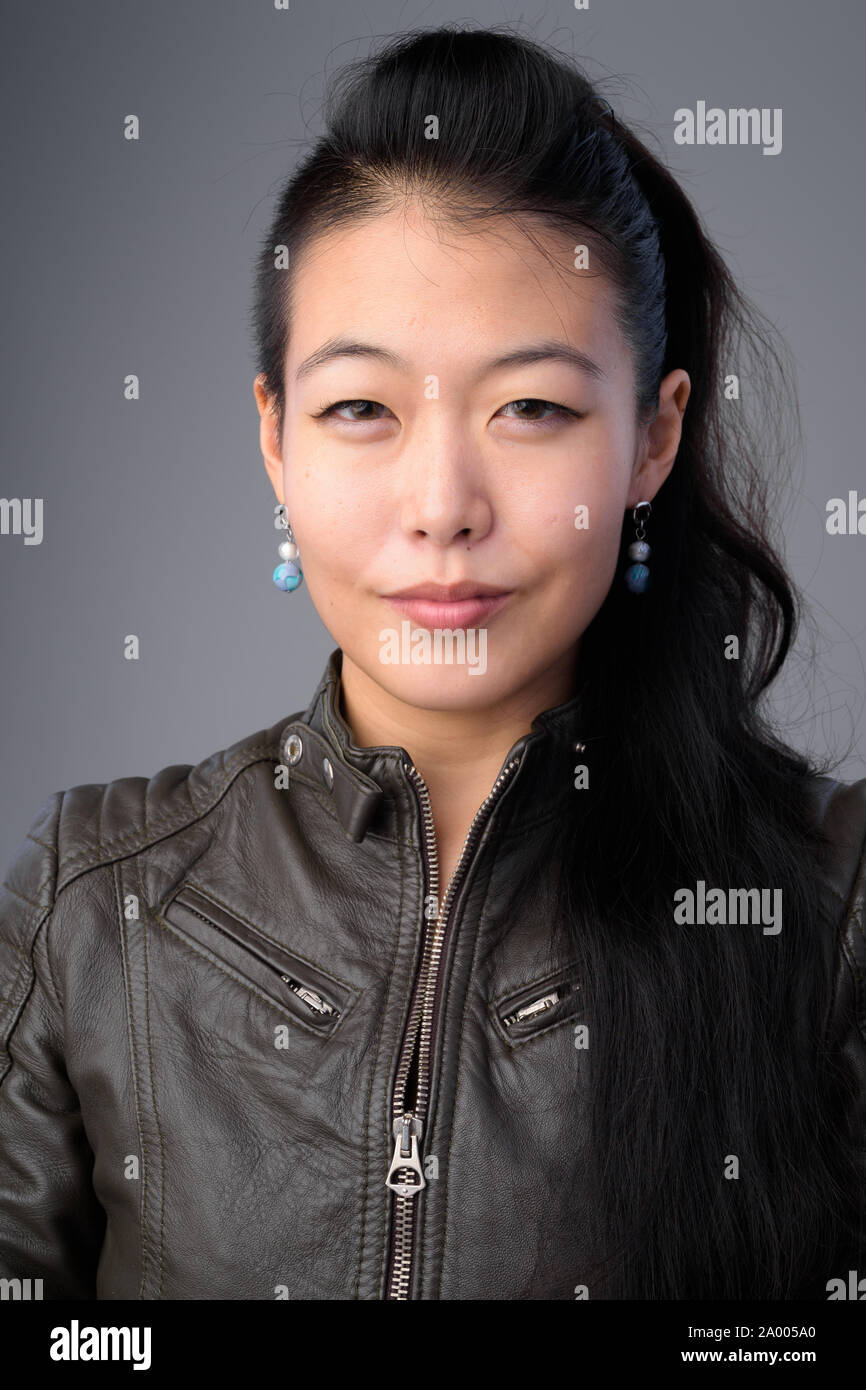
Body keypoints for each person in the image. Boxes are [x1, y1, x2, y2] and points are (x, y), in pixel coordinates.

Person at [0, 25, 864, 1302]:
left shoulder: (833, 910)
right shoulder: (94, 902)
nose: (442, 503)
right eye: (361, 408)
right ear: (275, 440)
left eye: (532, 409)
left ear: (650, 439)